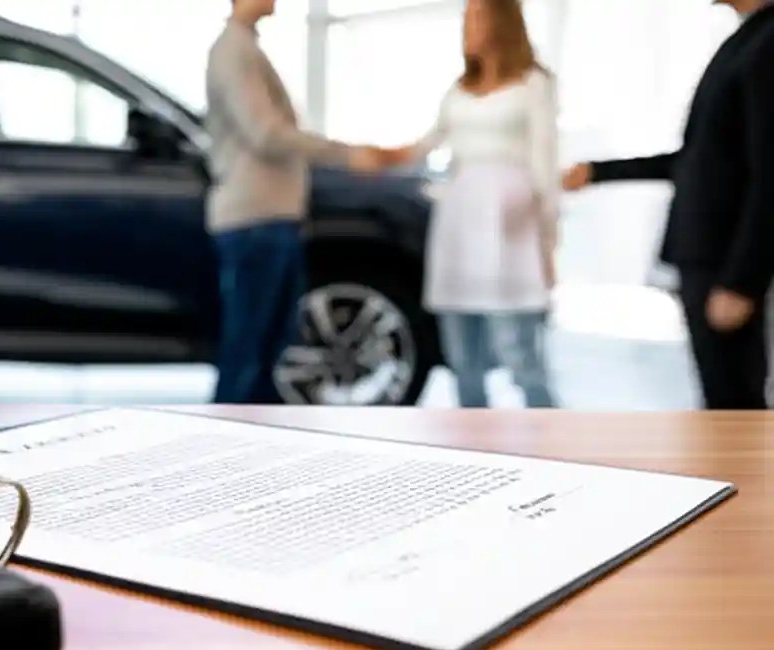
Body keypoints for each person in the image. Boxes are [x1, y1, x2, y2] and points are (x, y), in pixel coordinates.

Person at [563, 0, 774, 410]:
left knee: (734, 404)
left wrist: (742, 281)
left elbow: (770, 178)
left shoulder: (767, 44)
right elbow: (700, 158)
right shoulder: (746, 39)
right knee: (720, 398)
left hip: (724, 258)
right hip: (706, 252)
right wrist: (599, 172)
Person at [370, 0, 561, 408]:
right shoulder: (458, 90)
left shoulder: (533, 84)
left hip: (511, 228)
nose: (469, 28)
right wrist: (371, 158)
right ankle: (475, 444)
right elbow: (425, 145)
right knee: (461, 356)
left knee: (520, 353)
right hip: (460, 221)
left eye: (478, 18)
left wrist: (548, 241)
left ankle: (555, 440)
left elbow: (545, 164)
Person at [205, 0, 380, 404]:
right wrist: (345, 153)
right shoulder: (233, 51)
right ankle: (222, 450)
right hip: (254, 222)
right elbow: (267, 133)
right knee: (247, 353)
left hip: (270, 220)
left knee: (268, 349)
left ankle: (258, 450)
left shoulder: (247, 48)